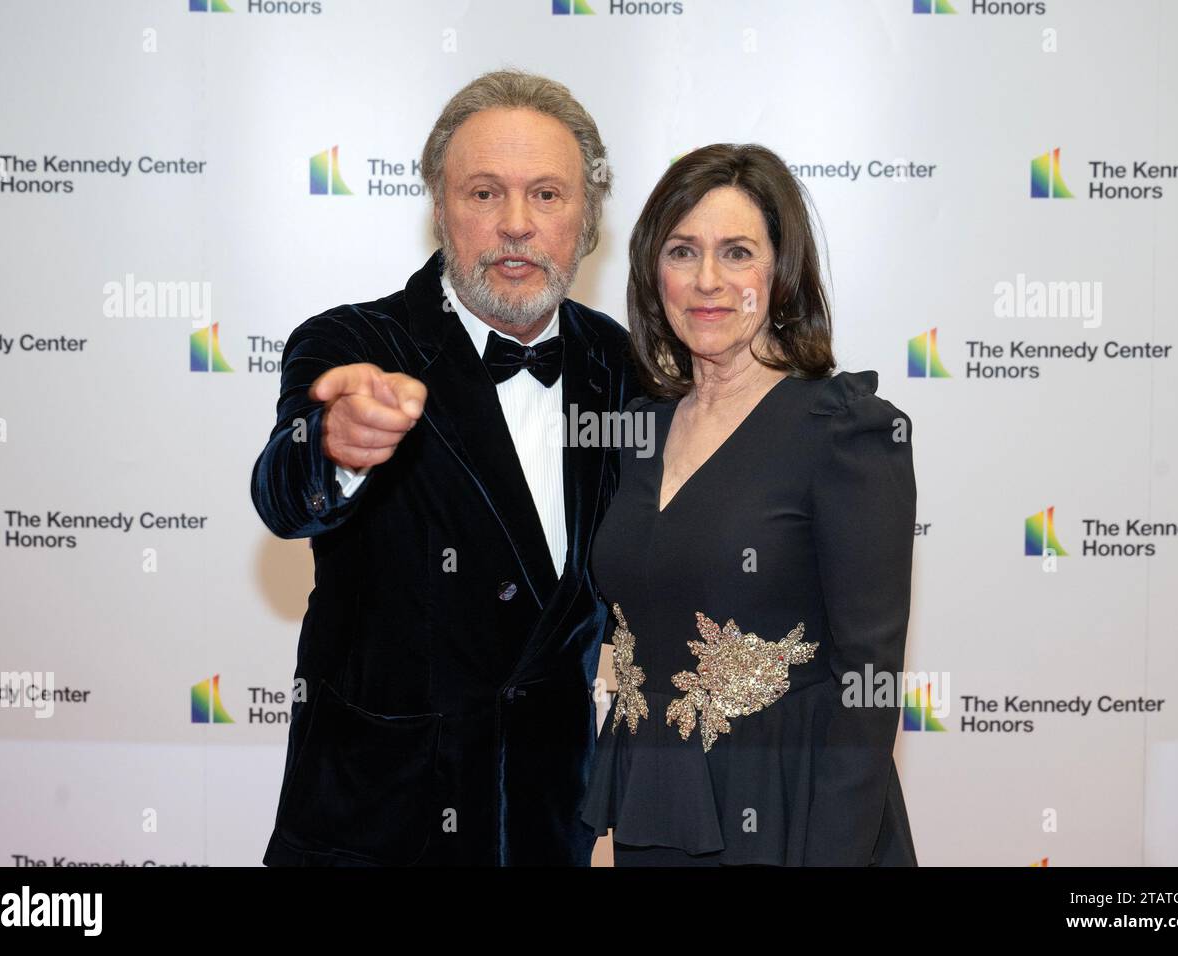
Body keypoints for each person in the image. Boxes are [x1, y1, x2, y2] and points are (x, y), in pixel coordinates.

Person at [251, 69, 642, 866]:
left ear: (587, 217)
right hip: (379, 827)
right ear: (439, 206)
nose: (516, 226)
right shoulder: (353, 344)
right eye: (484, 193)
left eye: (546, 195)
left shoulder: (623, 364)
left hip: (550, 825)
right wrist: (334, 444)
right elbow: (284, 495)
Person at [579, 143, 918, 866]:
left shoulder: (845, 429)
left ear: (781, 273)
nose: (708, 280)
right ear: (651, 271)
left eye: (737, 252)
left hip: (796, 817)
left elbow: (870, 679)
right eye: (682, 251)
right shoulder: (639, 430)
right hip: (659, 814)